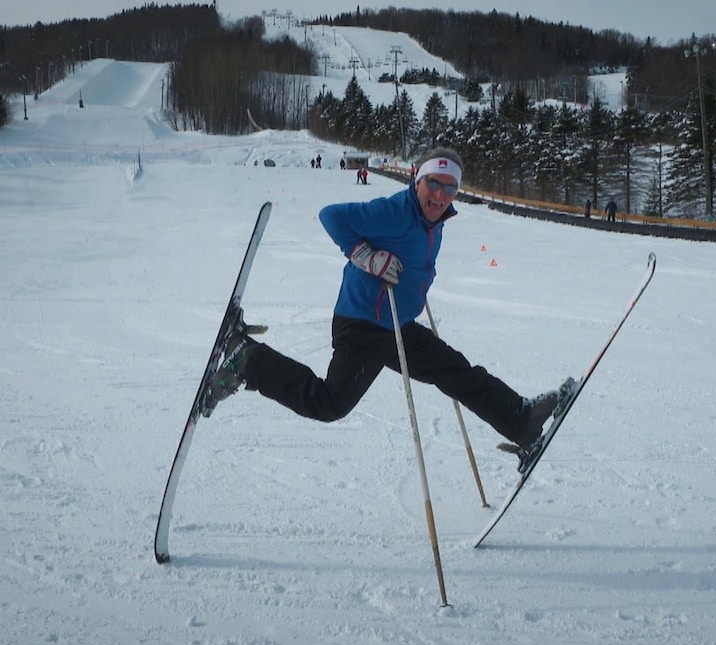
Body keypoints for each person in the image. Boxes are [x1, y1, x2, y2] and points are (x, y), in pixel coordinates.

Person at [201, 147, 572, 471]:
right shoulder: (395, 211)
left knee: (456, 371)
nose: (440, 195)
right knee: (330, 402)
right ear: (418, 179)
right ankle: (247, 359)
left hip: (395, 322)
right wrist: (364, 255)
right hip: (363, 324)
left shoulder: (435, 219)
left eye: (450, 188)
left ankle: (522, 421)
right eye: (434, 183)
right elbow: (331, 215)